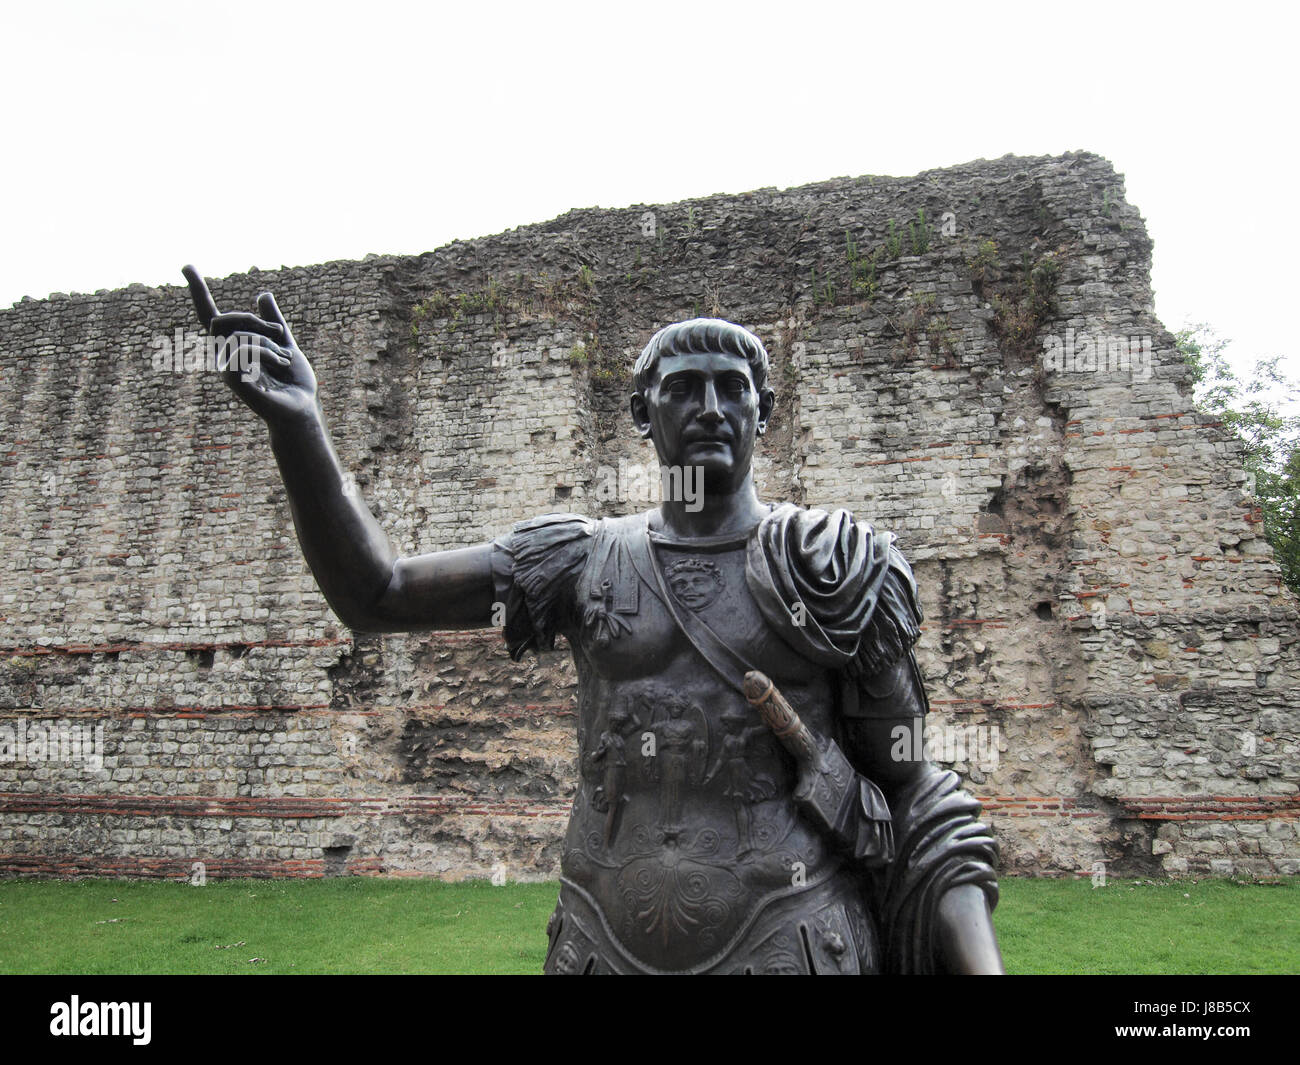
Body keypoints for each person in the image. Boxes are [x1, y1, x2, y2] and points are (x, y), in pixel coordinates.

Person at [182, 265, 1003, 974]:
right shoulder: (577, 560)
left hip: (791, 943)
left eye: (733, 388)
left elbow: (916, 795)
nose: (711, 406)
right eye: (683, 388)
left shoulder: (830, 561)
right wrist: (299, 428)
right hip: (600, 945)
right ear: (644, 414)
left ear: (765, 409)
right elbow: (379, 593)